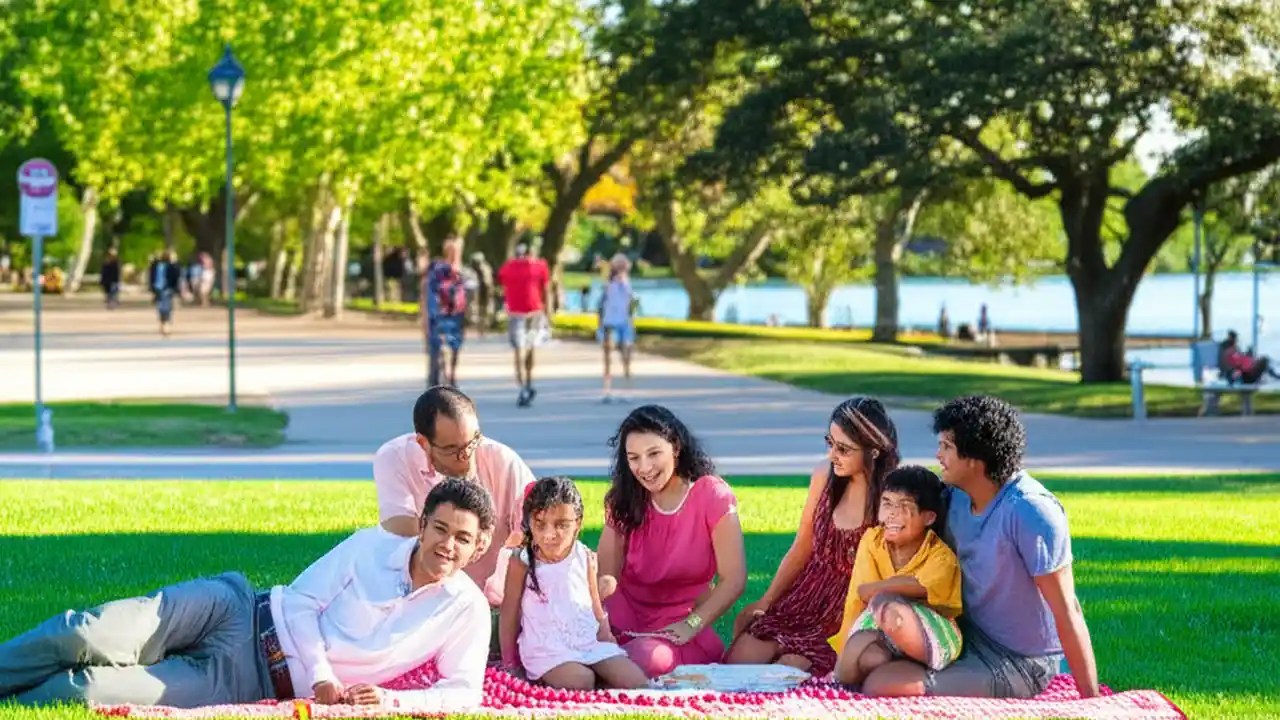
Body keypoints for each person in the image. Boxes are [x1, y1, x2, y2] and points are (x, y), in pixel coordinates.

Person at [0, 478, 496, 710]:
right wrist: (323, 675)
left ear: (480, 547)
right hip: (236, 609)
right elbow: (302, 602)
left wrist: (388, 701)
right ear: (424, 523)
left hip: (245, 681)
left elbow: (464, 693)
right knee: (84, 632)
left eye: (462, 538)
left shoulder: (467, 612)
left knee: (85, 691)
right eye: (440, 528)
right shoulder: (373, 545)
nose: (446, 545)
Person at [861, 396, 1099, 699]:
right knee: (870, 660)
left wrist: (1091, 702)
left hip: (1018, 661)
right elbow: (901, 504)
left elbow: (1068, 609)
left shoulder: (1031, 511)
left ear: (974, 459)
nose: (938, 455)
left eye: (946, 446)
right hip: (961, 635)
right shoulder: (954, 497)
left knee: (882, 684)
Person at [724, 397, 900, 677]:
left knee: (785, 678)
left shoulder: (893, 496)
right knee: (736, 664)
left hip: (844, 610)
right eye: (830, 443)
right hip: (803, 595)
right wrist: (766, 601)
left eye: (843, 449)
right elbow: (803, 545)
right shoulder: (825, 474)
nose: (833, 454)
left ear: (874, 452)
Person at [598, 405, 747, 678]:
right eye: (633, 458)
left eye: (654, 453)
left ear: (676, 447)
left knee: (641, 660)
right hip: (622, 618)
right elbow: (605, 577)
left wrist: (692, 624)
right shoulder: (621, 500)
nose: (644, 468)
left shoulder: (712, 495)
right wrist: (597, 626)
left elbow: (734, 578)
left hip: (679, 627)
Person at [373, 386, 536, 608]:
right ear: (423, 443)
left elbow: (539, 528)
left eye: (472, 442)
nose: (466, 458)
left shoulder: (502, 461)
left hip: (499, 602)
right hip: (423, 598)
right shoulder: (395, 457)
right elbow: (398, 530)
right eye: (452, 449)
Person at [500, 476, 649, 690]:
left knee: (636, 682)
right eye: (540, 524)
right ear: (529, 522)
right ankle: (577, 677)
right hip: (546, 648)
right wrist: (510, 663)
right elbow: (510, 612)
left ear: (577, 524)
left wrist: (606, 637)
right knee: (582, 681)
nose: (549, 534)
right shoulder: (521, 560)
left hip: (586, 641)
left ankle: (598, 675)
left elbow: (595, 604)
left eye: (561, 524)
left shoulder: (584, 555)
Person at [833, 465, 962, 687]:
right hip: (881, 630)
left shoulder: (940, 555)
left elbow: (919, 587)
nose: (892, 514)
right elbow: (860, 594)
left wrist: (884, 591)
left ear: (929, 517)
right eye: (887, 503)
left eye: (904, 506)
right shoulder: (872, 542)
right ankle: (895, 671)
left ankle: (853, 671)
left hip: (931, 635)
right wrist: (845, 644)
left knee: (888, 607)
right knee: (874, 658)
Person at [496, 243, 551, 407]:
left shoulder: (508, 267)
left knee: (519, 350)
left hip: (517, 313)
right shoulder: (540, 266)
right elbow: (547, 290)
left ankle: (523, 387)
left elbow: (501, 285)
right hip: (534, 312)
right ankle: (527, 382)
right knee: (530, 348)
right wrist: (548, 313)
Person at [422, 236, 470, 387]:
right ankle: (444, 377)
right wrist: (427, 318)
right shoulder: (438, 270)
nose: (455, 254)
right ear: (447, 251)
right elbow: (429, 294)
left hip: (457, 315)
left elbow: (467, 293)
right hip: (440, 315)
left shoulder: (462, 272)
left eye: (457, 251)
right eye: (453, 251)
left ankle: (451, 377)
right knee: (442, 348)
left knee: (455, 347)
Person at [598, 253, 637, 403]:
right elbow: (602, 305)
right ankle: (607, 391)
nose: (621, 268)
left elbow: (631, 304)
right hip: (609, 323)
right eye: (618, 265)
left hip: (624, 323)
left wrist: (632, 318)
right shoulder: (609, 283)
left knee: (626, 356)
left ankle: (627, 390)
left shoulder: (627, 283)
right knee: (607, 357)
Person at [148, 250, 181, 337]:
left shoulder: (172, 266)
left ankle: (165, 326)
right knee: (162, 308)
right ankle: (164, 325)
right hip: (159, 289)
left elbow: (176, 276)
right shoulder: (157, 266)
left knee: (166, 308)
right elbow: (152, 277)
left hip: (167, 289)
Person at [468, 252, 495, 337]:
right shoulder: (474, 269)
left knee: (484, 311)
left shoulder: (485, 268)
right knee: (479, 311)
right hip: (478, 293)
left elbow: (488, 283)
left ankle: (482, 330)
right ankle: (481, 330)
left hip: (484, 293)